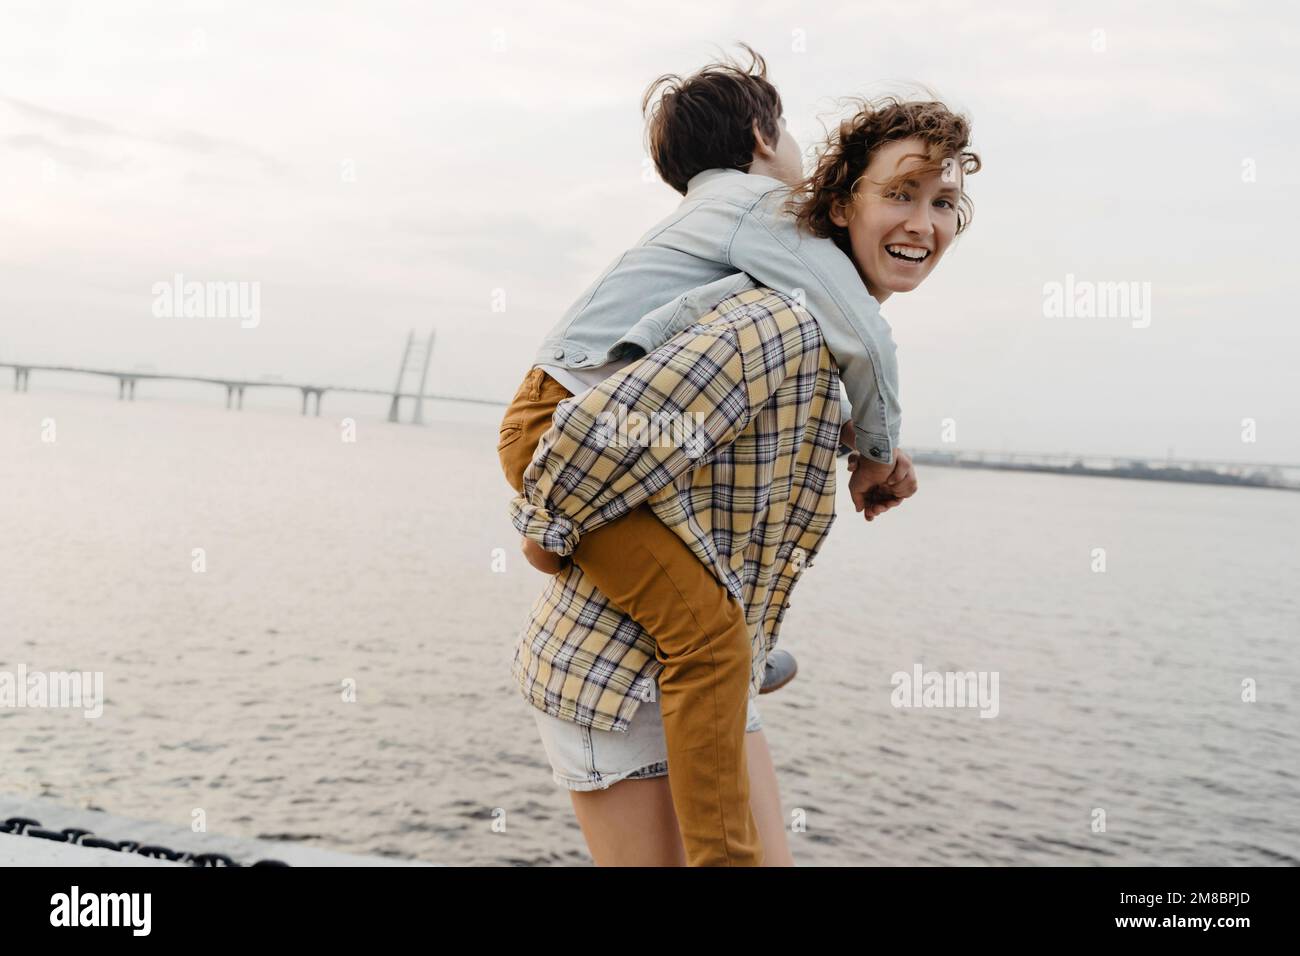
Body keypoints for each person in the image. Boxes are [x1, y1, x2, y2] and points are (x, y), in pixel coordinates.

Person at [509, 95, 982, 865]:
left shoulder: (806, 329)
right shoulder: (781, 320)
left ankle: (748, 653)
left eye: (944, 203)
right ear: (834, 203)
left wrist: (857, 440)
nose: (924, 223)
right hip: (620, 685)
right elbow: (595, 437)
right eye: (899, 194)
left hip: (703, 681)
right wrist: (546, 533)